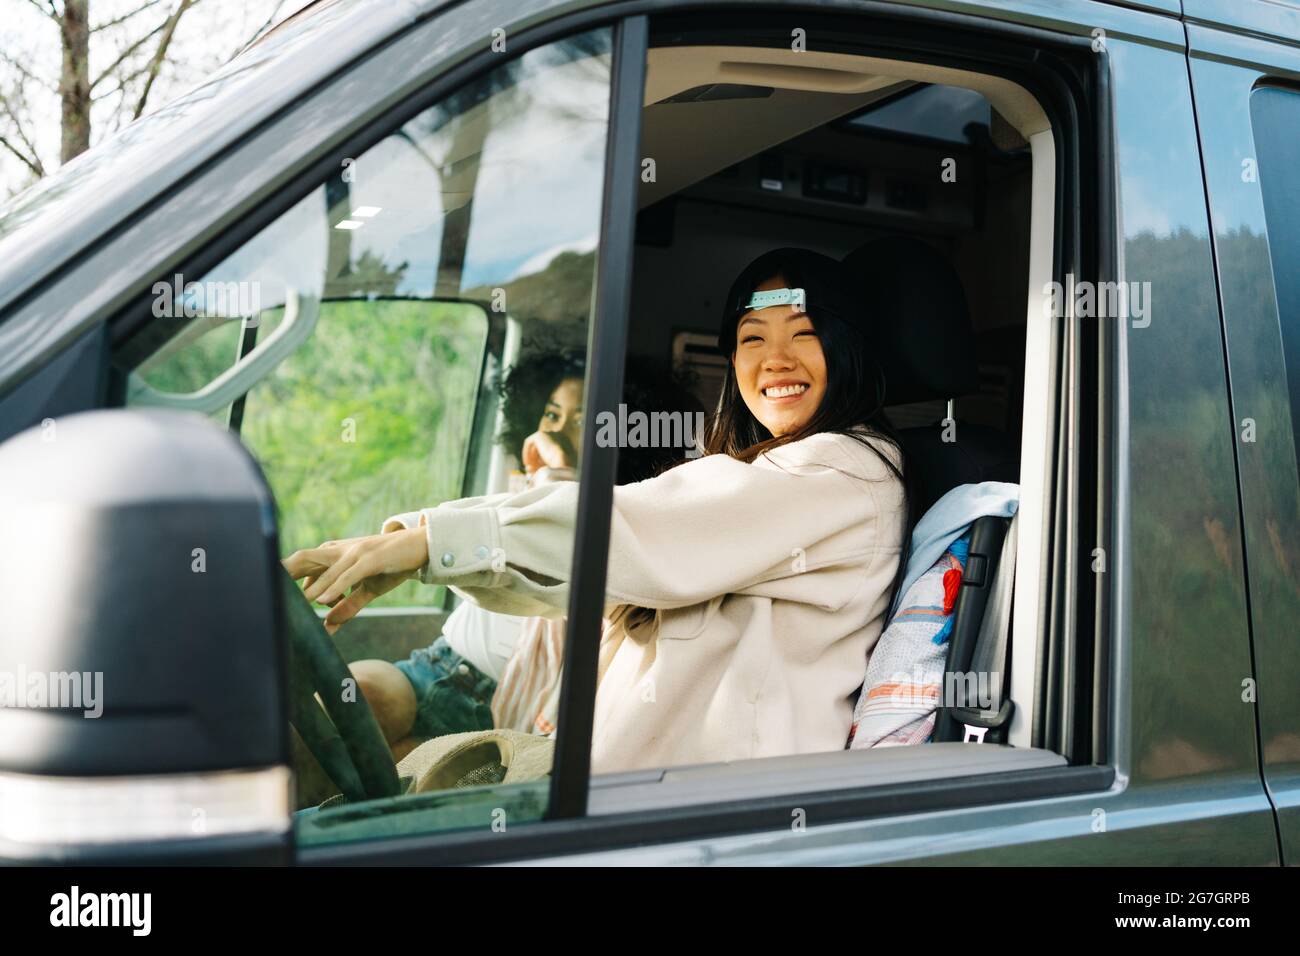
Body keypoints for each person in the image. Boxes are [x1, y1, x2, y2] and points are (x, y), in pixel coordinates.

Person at [286, 248, 909, 774]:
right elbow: (589, 583)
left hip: (714, 810)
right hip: (624, 793)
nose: (775, 359)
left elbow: (639, 529)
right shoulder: (763, 471)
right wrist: (430, 547)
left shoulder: (844, 472)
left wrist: (432, 541)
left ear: (847, 347)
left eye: (804, 334)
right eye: (753, 340)